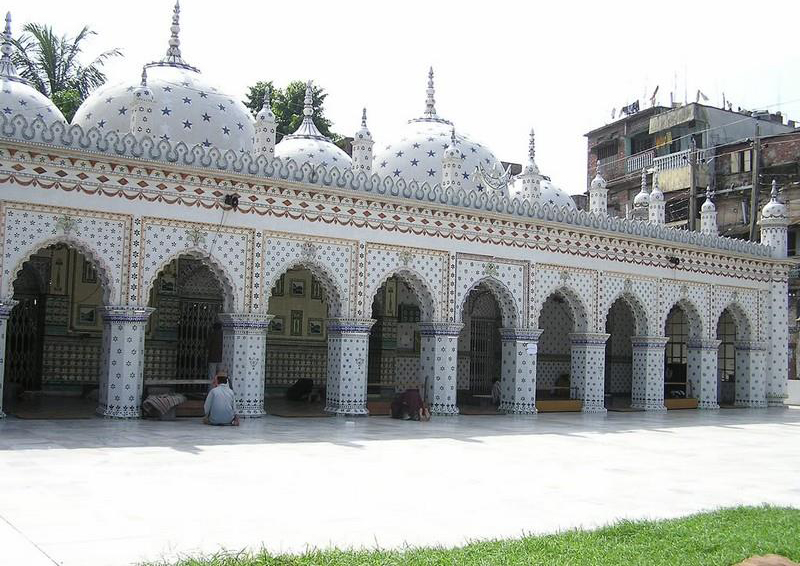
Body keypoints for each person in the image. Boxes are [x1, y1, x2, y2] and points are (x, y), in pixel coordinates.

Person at [206, 322, 223, 389]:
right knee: (221, 376)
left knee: (212, 377)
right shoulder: (223, 335)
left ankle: (211, 391)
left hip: (212, 358)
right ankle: (220, 390)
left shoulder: (212, 334)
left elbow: (207, 344)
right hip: (221, 358)